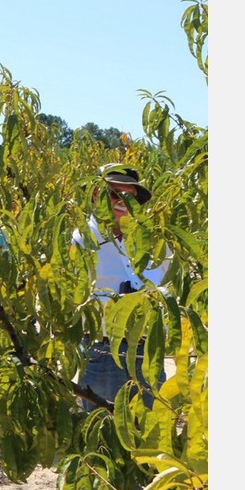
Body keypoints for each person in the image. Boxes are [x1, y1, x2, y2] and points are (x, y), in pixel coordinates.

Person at [73, 164, 168, 412]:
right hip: (103, 352)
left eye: (130, 196)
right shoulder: (81, 240)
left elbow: (169, 285)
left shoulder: (153, 240)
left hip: (149, 350)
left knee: (151, 431)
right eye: (116, 194)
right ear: (96, 195)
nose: (123, 202)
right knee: (106, 433)